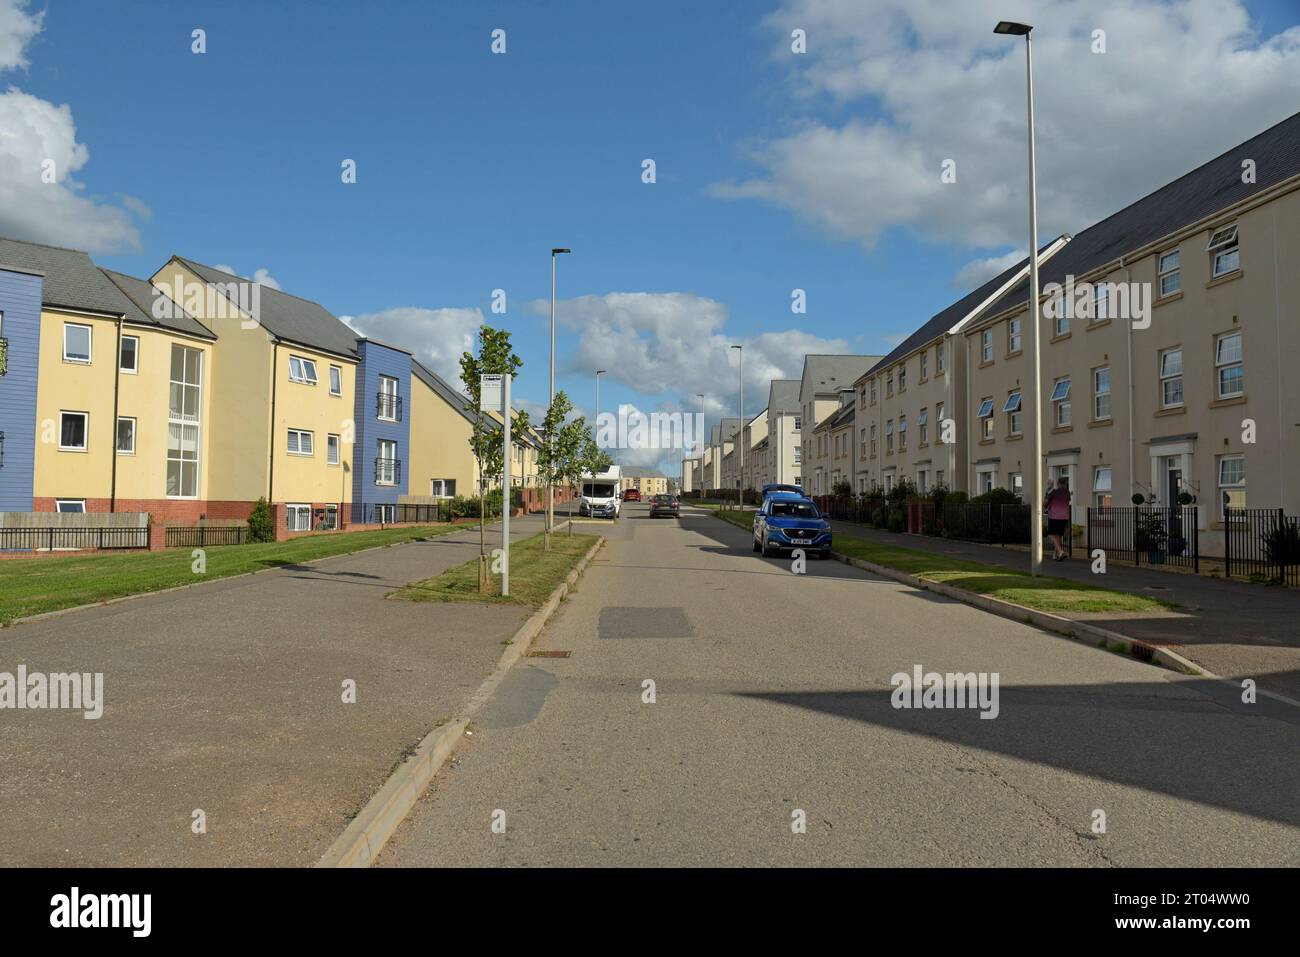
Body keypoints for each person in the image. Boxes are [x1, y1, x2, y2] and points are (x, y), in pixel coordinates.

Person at [1044, 477, 1072, 561]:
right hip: (1064, 517)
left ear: (1058, 483)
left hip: (1054, 516)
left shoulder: (1053, 492)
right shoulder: (1067, 492)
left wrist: (1048, 489)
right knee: (1059, 535)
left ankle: (1060, 551)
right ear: (1065, 483)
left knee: (1050, 534)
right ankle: (1056, 554)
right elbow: (1068, 500)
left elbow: (1045, 503)